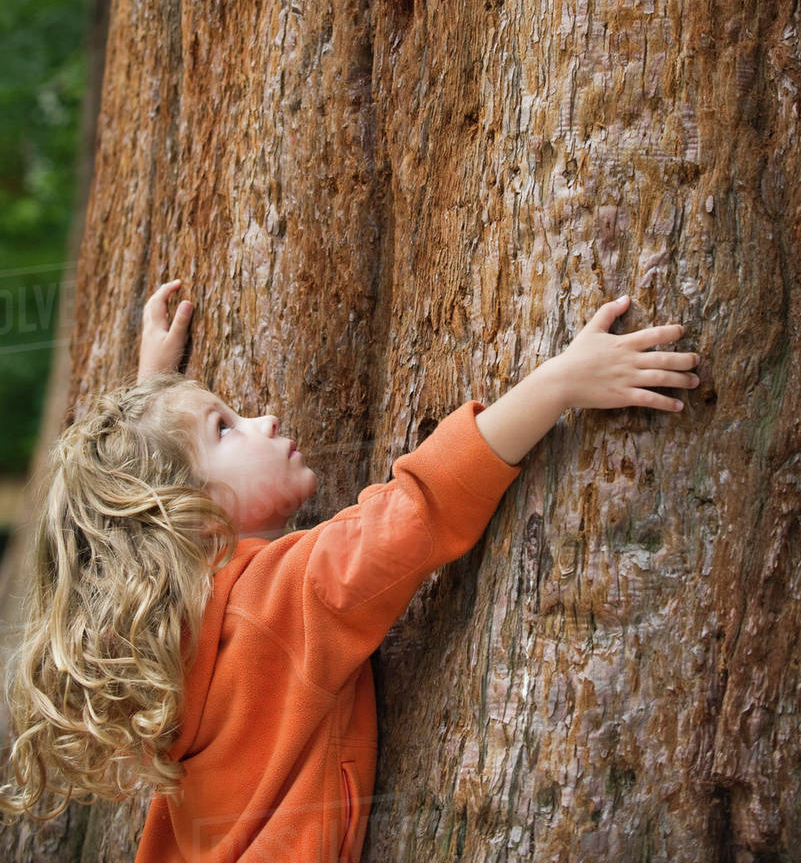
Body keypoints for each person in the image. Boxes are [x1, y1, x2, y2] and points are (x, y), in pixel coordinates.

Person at [0, 280, 700, 861]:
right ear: (186, 513)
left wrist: (155, 386)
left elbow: (137, 516)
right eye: (226, 428)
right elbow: (419, 507)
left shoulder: (157, 638)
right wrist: (558, 384)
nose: (264, 419)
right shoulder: (285, 598)